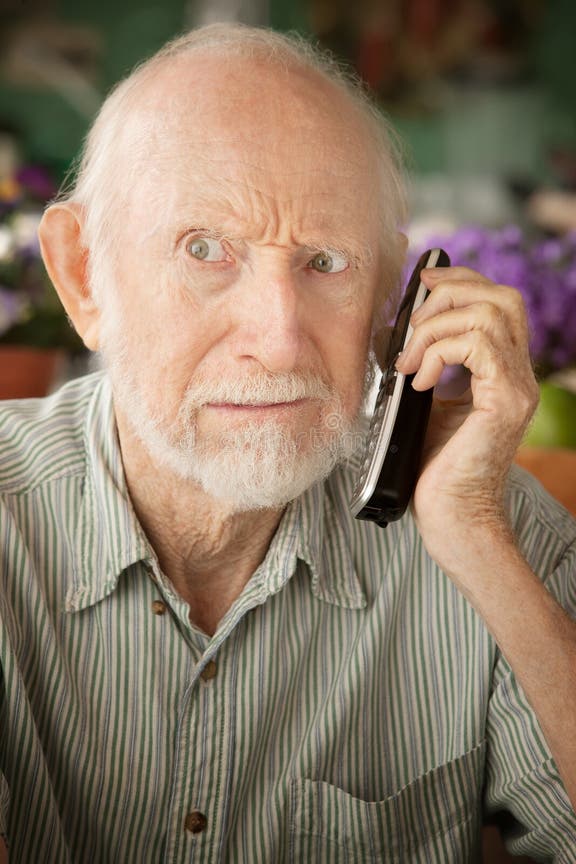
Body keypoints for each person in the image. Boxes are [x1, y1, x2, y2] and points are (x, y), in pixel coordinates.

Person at [1, 22, 575, 864]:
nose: (279, 342)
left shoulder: (494, 534)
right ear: (84, 277)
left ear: (393, 300)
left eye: (327, 263)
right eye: (205, 250)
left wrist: (479, 542)